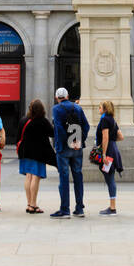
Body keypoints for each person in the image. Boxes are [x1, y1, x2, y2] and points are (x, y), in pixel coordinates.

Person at [50, 87, 88, 218]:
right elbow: (86, 126)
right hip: (77, 147)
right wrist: (79, 141)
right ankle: (79, 208)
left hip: (63, 148)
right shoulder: (78, 108)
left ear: (57, 98)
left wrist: (65, 143)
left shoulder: (56, 109)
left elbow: (59, 128)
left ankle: (65, 209)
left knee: (64, 178)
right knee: (78, 176)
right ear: (67, 96)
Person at [16, 99, 56, 214]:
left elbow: (18, 137)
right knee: (35, 177)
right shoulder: (42, 121)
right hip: (38, 153)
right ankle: (34, 205)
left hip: (24, 152)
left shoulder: (23, 120)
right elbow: (52, 133)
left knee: (28, 176)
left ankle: (29, 204)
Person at [96, 101, 122, 215]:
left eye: (100, 107)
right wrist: (112, 141)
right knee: (109, 177)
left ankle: (112, 208)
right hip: (113, 148)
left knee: (110, 178)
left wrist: (104, 154)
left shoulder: (105, 119)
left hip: (108, 151)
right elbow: (121, 137)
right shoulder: (112, 120)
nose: (98, 109)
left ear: (105, 109)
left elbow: (105, 137)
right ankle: (112, 206)